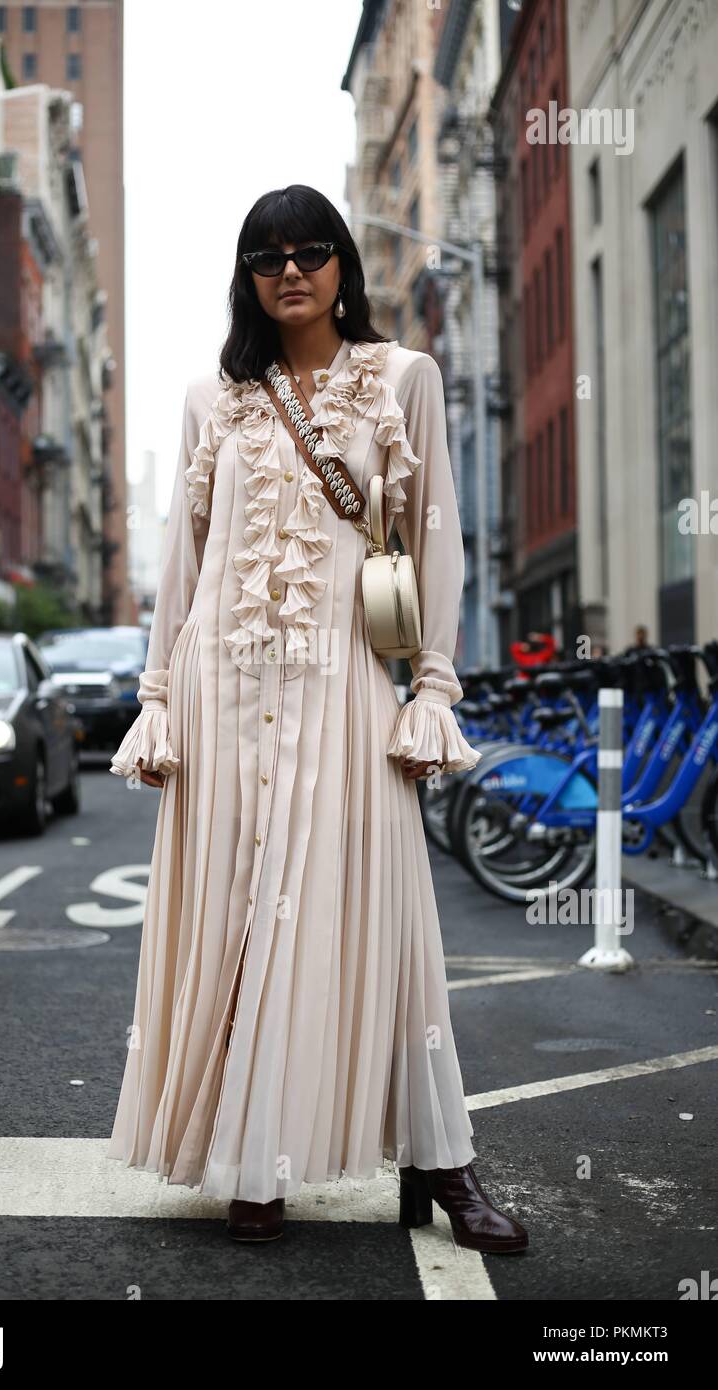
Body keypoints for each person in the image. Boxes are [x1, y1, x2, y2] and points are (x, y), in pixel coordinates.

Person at [108, 184, 528, 1253]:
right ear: (245, 275)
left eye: (308, 250)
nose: (287, 270)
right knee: (235, 923)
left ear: (341, 261)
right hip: (219, 684)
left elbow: (434, 542)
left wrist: (432, 685)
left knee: (383, 922)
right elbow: (182, 561)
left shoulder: (403, 380)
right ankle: (254, 1160)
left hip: (341, 680)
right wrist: (157, 699)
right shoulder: (215, 397)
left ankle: (444, 1163)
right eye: (264, 255)